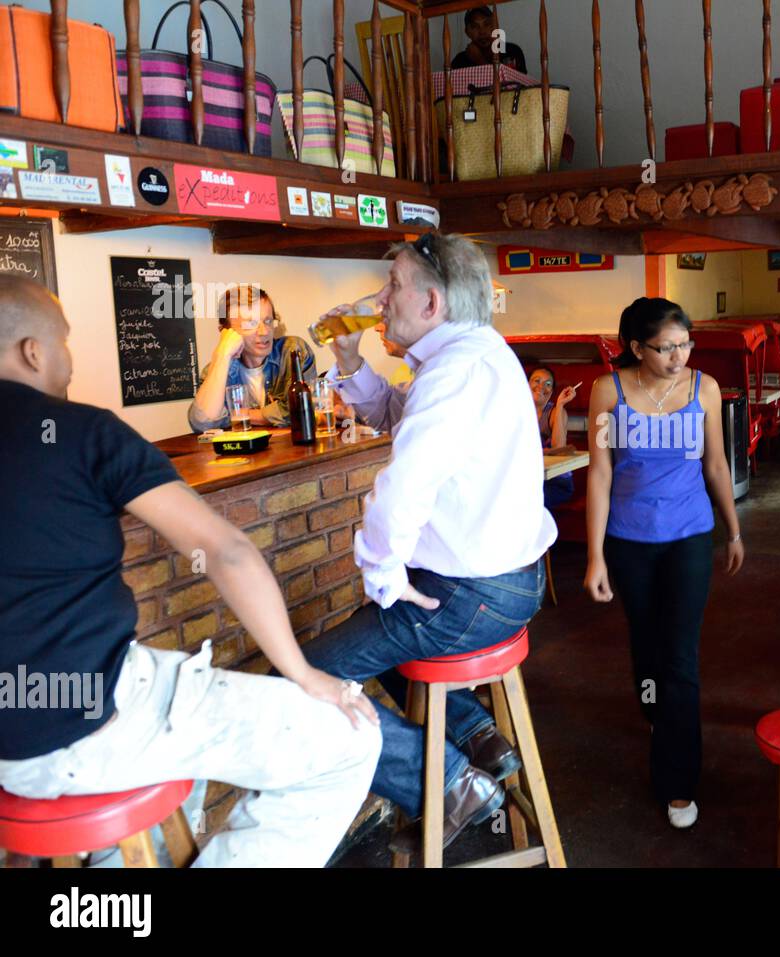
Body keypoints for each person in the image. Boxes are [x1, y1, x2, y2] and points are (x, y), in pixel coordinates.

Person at [0, 275, 380, 867]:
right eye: (65, 343)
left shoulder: (294, 354)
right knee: (351, 738)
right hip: (86, 726)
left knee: (172, 678)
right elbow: (222, 550)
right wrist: (302, 672)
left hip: (17, 752)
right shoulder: (84, 433)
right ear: (32, 351)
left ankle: (118, 855)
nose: (69, 361)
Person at [306, 233, 555, 848]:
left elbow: (403, 487)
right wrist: (348, 354)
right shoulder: (472, 355)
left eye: (393, 285)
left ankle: (445, 781)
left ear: (432, 304)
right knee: (383, 637)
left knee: (302, 678)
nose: (381, 298)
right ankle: (476, 735)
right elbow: (398, 415)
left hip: (472, 595)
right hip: (509, 588)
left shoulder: (453, 371)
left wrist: (384, 577)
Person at [584, 297, 744, 829]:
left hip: (689, 537)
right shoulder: (608, 392)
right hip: (629, 540)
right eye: (666, 348)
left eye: (685, 345)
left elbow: (717, 463)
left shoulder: (706, 389)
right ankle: (658, 713)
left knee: (679, 655)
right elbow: (601, 475)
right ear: (635, 348)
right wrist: (594, 557)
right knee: (646, 641)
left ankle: (677, 783)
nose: (679, 356)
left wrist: (734, 530)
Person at [188, 285, 315, 432]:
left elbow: (305, 409)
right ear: (226, 332)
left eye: (268, 321)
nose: (264, 332)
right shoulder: (218, 370)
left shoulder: (293, 352)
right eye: (251, 323)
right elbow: (202, 424)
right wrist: (222, 355)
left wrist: (240, 415)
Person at [529, 365, 578, 508]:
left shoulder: (556, 412)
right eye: (536, 381)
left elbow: (558, 448)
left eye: (548, 384)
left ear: (552, 391)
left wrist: (561, 404)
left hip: (556, 482)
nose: (541, 386)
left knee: (528, 501)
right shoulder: (520, 410)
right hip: (530, 478)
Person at [451, 6, 527, 73]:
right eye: (475, 26)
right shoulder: (459, 61)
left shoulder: (512, 51)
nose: (482, 32)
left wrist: (480, 60)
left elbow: (521, 87)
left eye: (487, 24)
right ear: (467, 32)